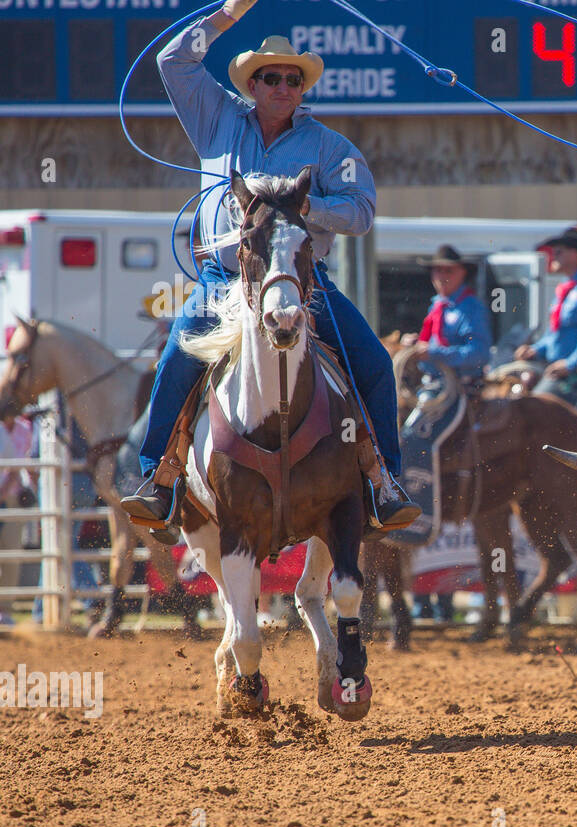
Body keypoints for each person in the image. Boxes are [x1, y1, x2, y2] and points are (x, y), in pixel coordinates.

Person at [121, 0, 418, 533]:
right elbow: (172, 61)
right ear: (251, 84)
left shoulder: (328, 146)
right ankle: (158, 479)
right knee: (176, 356)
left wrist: (306, 209)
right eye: (271, 77)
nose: (283, 86)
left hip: (300, 284)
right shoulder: (214, 115)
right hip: (224, 280)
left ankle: (383, 482)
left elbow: (362, 211)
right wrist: (228, 14)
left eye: (293, 79)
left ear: (302, 89)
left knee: (372, 362)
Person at [515, 227, 577, 410]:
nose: (554, 256)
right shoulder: (568, 287)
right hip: (559, 368)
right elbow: (556, 334)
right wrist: (535, 350)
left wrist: (571, 364)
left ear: (576, 254)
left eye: (559, 251)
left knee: (537, 406)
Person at [402, 244, 492, 382]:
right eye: (438, 270)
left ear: (462, 273)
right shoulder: (436, 306)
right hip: (432, 381)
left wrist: (435, 353)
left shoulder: (471, 307)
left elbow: (480, 353)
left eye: (449, 271)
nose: (442, 276)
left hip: (462, 385)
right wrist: (416, 345)